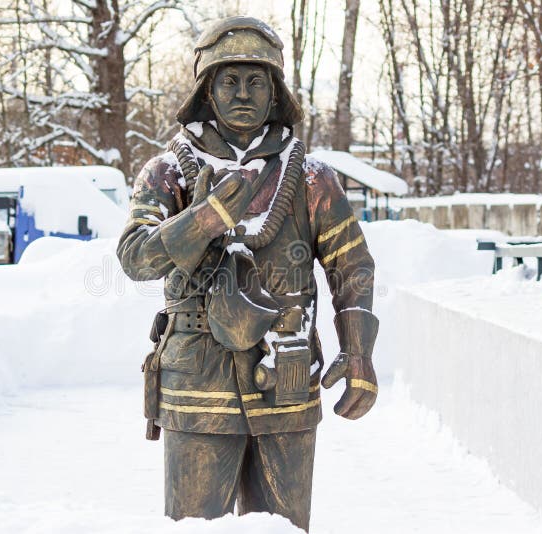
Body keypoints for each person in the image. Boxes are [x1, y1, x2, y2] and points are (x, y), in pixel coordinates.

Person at [117, 16, 379, 532]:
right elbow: (134, 257)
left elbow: (352, 266)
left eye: (256, 81)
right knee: (193, 524)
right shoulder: (166, 171)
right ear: (206, 91)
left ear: (275, 90)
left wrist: (360, 353)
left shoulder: (310, 177)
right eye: (228, 80)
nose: (243, 93)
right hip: (196, 379)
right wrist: (204, 219)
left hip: (287, 375)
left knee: (284, 525)